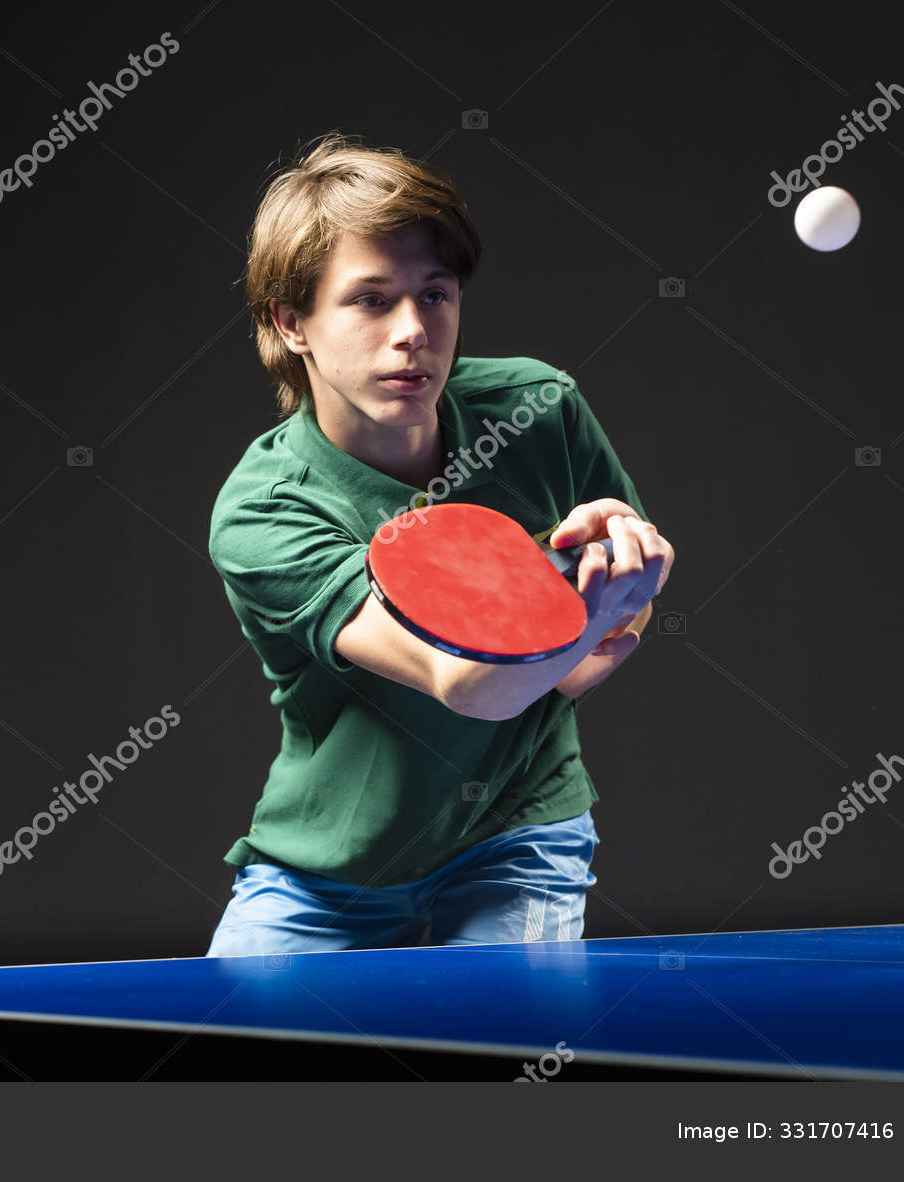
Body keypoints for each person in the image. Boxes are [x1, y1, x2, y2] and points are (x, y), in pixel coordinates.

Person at [204, 132, 674, 955]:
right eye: (371, 299)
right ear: (292, 322)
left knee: (504, 1061)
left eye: (436, 293)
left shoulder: (538, 409)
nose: (414, 329)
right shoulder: (265, 514)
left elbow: (615, 631)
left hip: (516, 833)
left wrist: (629, 573)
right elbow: (467, 687)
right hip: (329, 869)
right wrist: (568, 644)